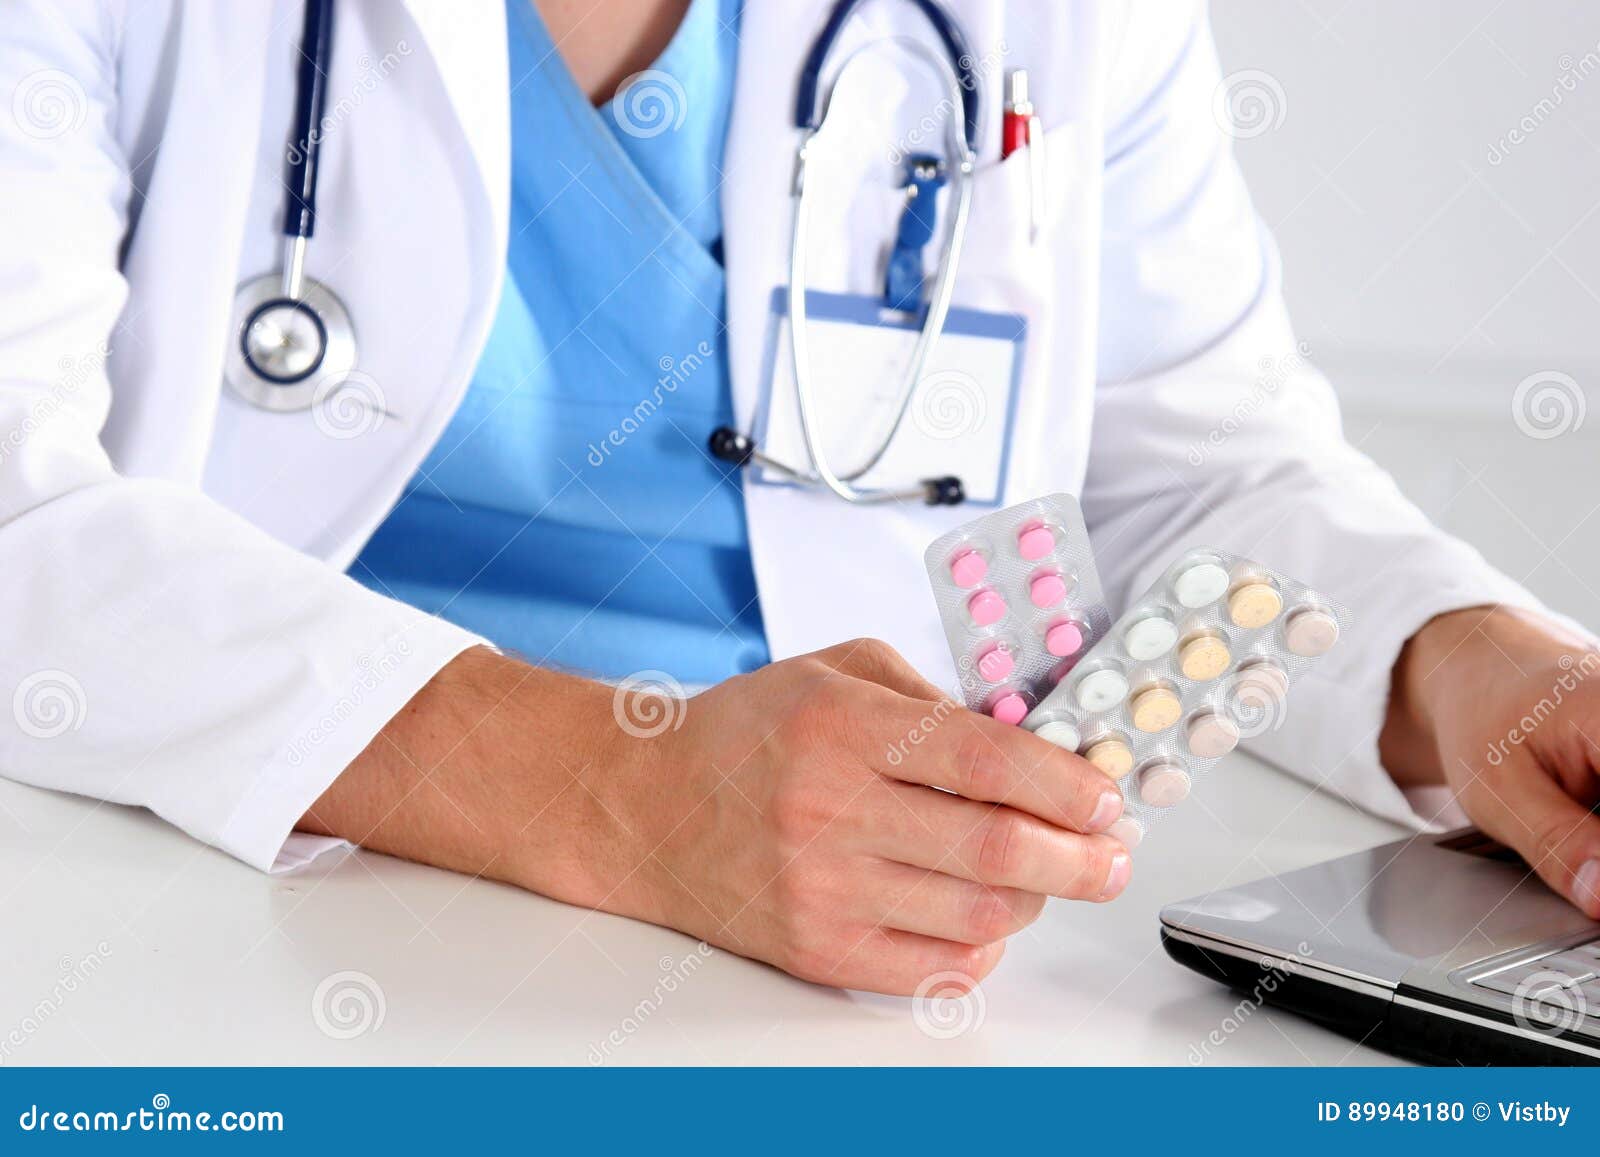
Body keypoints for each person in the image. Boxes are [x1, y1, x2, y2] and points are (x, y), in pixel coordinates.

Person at [3, 0, 1595, 998]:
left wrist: (1472, 668)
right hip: (234, 908)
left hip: (839, 950)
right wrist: (620, 790)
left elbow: (1197, 464)